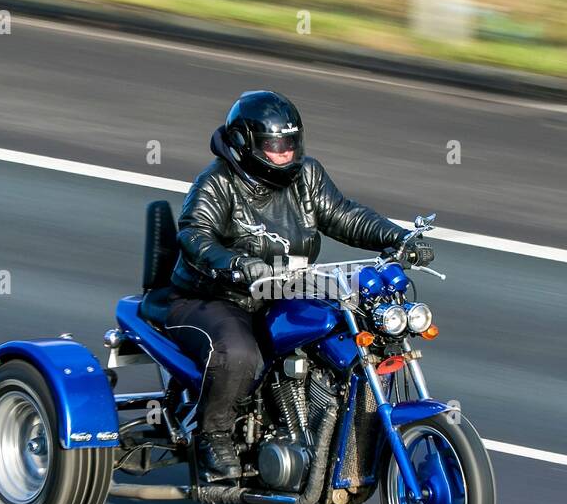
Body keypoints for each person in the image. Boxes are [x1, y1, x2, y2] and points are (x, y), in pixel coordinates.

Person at [164, 89, 434, 483]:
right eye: (274, 146)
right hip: (214, 296)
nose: (285, 154)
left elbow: (344, 215)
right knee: (240, 353)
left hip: (283, 289)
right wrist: (238, 264)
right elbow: (195, 236)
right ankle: (213, 435)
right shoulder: (217, 182)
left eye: (290, 144)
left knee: (345, 327)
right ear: (245, 144)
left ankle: (318, 431)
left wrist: (398, 239)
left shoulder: (307, 177)